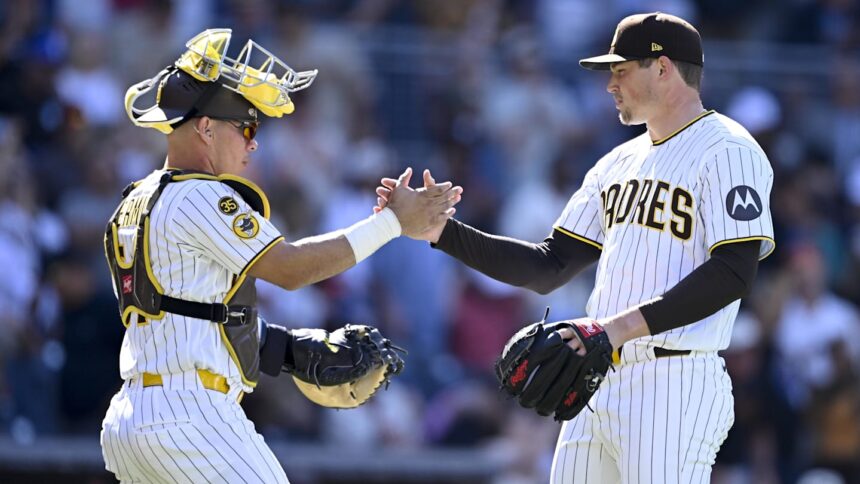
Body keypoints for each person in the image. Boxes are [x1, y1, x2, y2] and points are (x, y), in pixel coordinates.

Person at [377, 12, 774, 483]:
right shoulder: (617, 162)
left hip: (674, 380)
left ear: (663, 68)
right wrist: (442, 232)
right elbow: (551, 264)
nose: (609, 84)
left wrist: (614, 329)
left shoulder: (729, 150)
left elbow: (733, 272)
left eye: (621, 70)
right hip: (598, 373)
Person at [100, 29, 461, 483]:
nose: (253, 143)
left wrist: (286, 351)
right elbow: (289, 269)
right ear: (207, 128)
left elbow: (190, 310)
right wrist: (392, 224)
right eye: (246, 127)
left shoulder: (138, 197)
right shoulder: (199, 194)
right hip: (189, 415)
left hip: (137, 416)